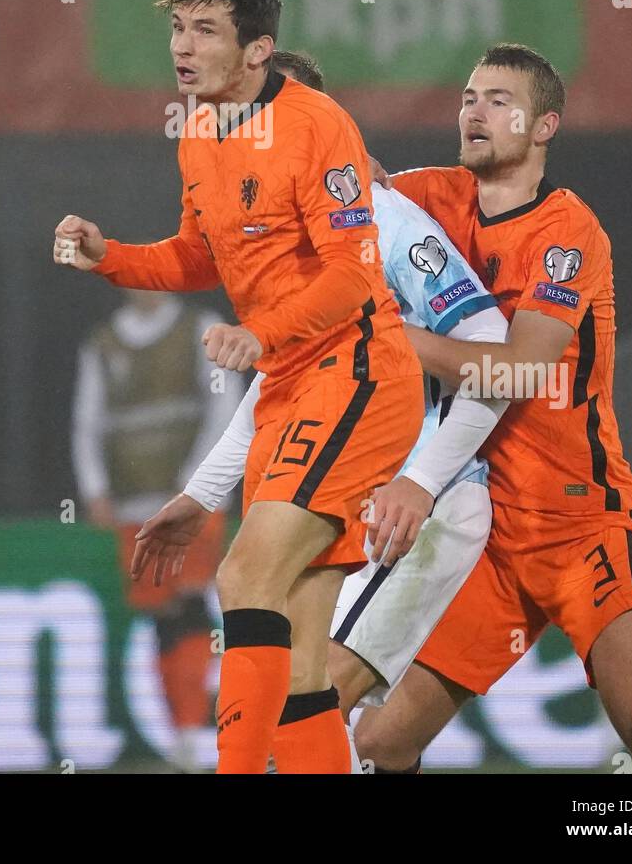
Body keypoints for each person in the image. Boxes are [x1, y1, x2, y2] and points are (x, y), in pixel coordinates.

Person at [54, 0, 423, 773]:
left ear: (258, 50)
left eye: (207, 30)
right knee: (299, 664)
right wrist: (108, 255)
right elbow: (195, 256)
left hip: (358, 374)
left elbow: (355, 273)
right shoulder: (197, 129)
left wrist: (262, 335)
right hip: (292, 391)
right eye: (178, 28)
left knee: (245, 572)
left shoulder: (317, 124)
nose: (183, 47)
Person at [354, 43, 632, 775]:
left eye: (499, 100)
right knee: (380, 742)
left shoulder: (568, 234)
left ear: (544, 125)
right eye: (468, 96)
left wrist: (398, 338)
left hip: (581, 524)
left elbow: (525, 370)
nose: (475, 111)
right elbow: (355, 185)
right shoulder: (433, 197)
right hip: (489, 540)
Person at [133, 50, 512, 772]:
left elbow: (496, 357)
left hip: (419, 512)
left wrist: (423, 480)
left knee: (313, 692)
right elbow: (279, 390)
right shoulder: (285, 245)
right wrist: (199, 497)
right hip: (348, 507)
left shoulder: (385, 219)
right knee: (346, 723)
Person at [71, 287, 244, 770]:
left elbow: (224, 405)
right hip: (135, 502)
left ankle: (203, 725)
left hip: (191, 497)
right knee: (163, 616)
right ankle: (185, 733)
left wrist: (200, 480)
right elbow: (88, 418)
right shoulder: (104, 342)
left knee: (192, 604)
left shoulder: (199, 327)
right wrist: (95, 486)